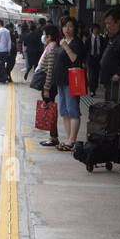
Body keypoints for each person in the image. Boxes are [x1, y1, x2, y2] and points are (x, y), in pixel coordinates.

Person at [53, 17, 87, 152]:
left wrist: (65, 47)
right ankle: (68, 139)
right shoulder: (63, 41)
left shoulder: (77, 43)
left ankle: (72, 140)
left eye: (70, 26)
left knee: (72, 110)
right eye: (65, 26)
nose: (67, 29)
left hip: (72, 80)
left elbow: (75, 59)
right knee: (64, 111)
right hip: (61, 80)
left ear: (75, 28)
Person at [99, 8, 120, 101]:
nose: (107, 26)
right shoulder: (113, 37)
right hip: (109, 82)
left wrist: (119, 73)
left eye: (109, 23)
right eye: (106, 24)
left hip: (117, 83)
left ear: (118, 22)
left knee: (115, 109)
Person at [38, 24, 62, 147]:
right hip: (49, 85)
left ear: (49, 36)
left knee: (50, 110)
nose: (43, 37)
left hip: (49, 86)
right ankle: (53, 136)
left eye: (44, 34)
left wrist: (46, 88)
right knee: (50, 110)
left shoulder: (52, 48)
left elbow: (50, 70)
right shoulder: (51, 46)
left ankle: (53, 137)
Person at [85, 24, 104, 96]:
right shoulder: (88, 38)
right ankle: (92, 90)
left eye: (97, 29)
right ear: (92, 30)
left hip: (98, 58)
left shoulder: (101, 39)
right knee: (91, 74)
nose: (96, 30)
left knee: (96, 74)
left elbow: (103, 48)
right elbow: (85, 49)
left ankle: (95, 87)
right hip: (90, 58)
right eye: (95, 29)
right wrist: (84, 60)